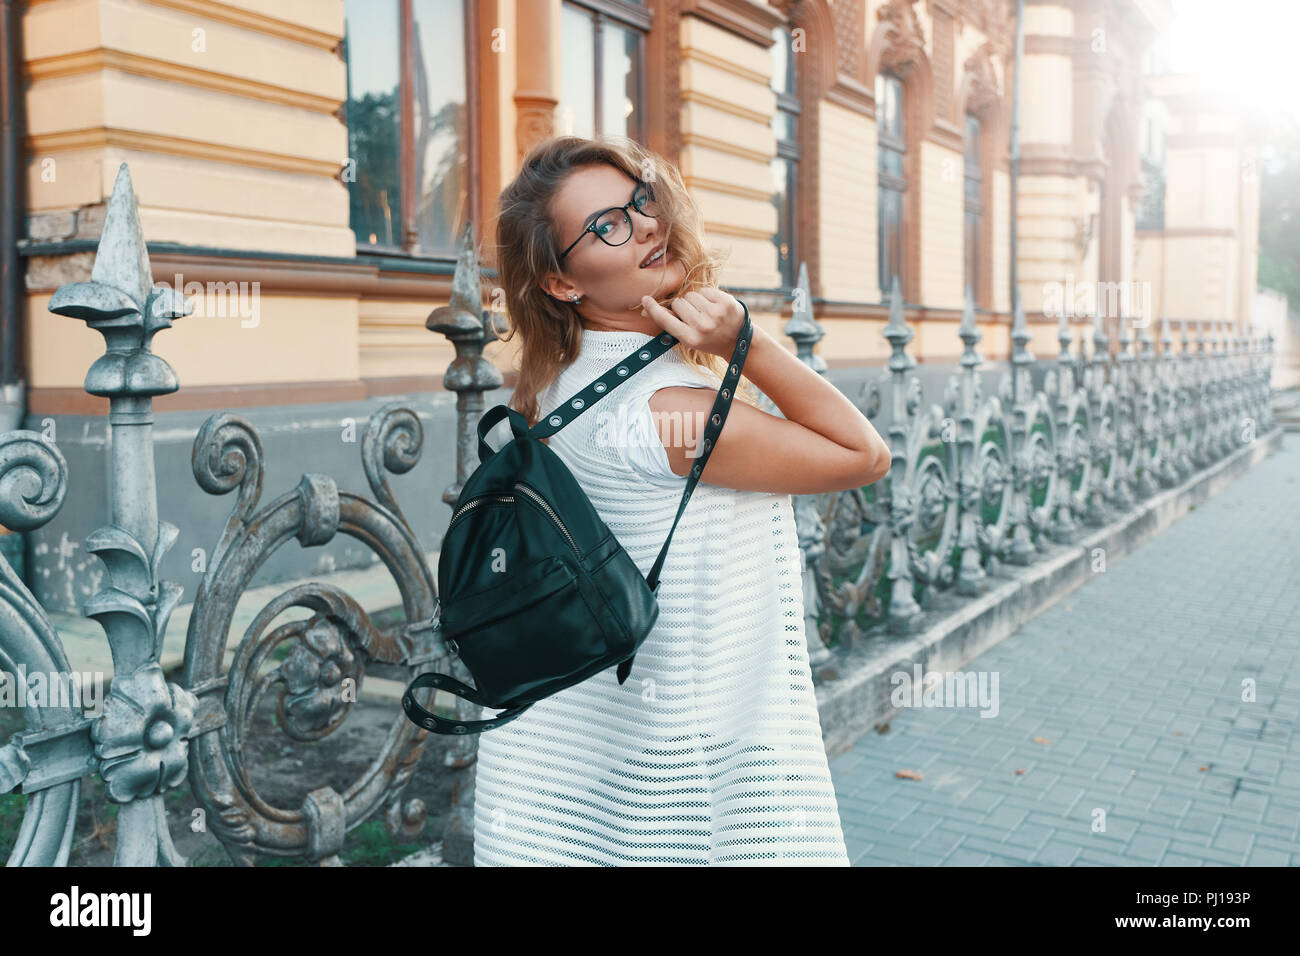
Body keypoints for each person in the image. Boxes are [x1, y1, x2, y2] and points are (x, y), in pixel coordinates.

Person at [472, 134, 891, 865]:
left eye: (640, 203)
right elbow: (864, 455)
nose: (645, 227)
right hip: (684, 777)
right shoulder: (675, 413)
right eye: (605, 226)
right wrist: (744, 342)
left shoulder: (547, 385)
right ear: (562, 284)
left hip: (562, 762)